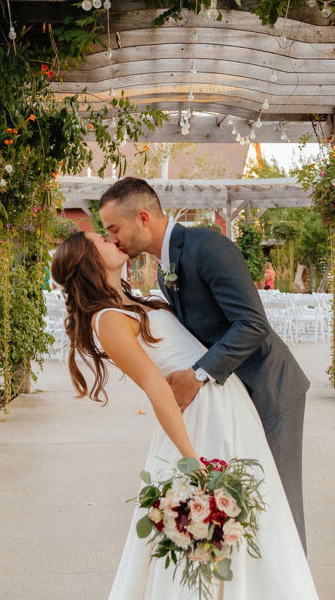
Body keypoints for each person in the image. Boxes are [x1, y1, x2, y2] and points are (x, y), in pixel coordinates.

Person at [42, 228, 335, 600]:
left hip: (230, 414)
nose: (112, 239)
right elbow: (158, 391)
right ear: (87, 262)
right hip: (202, 430)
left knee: (269, 537)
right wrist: (192, 462)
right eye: (102, 239)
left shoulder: (141, 300)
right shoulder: (108, 321)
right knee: (260, 540)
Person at [96, 177, 313, 547]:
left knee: (278, 500)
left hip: (269, 388)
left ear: (143, 217)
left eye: (114, 229)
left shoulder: (207, 246)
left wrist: (197, 375)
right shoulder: (167, 272)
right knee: (248, 505)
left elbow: (254, 324)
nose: (113, 238)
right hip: (232, 396)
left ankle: (294, 596)